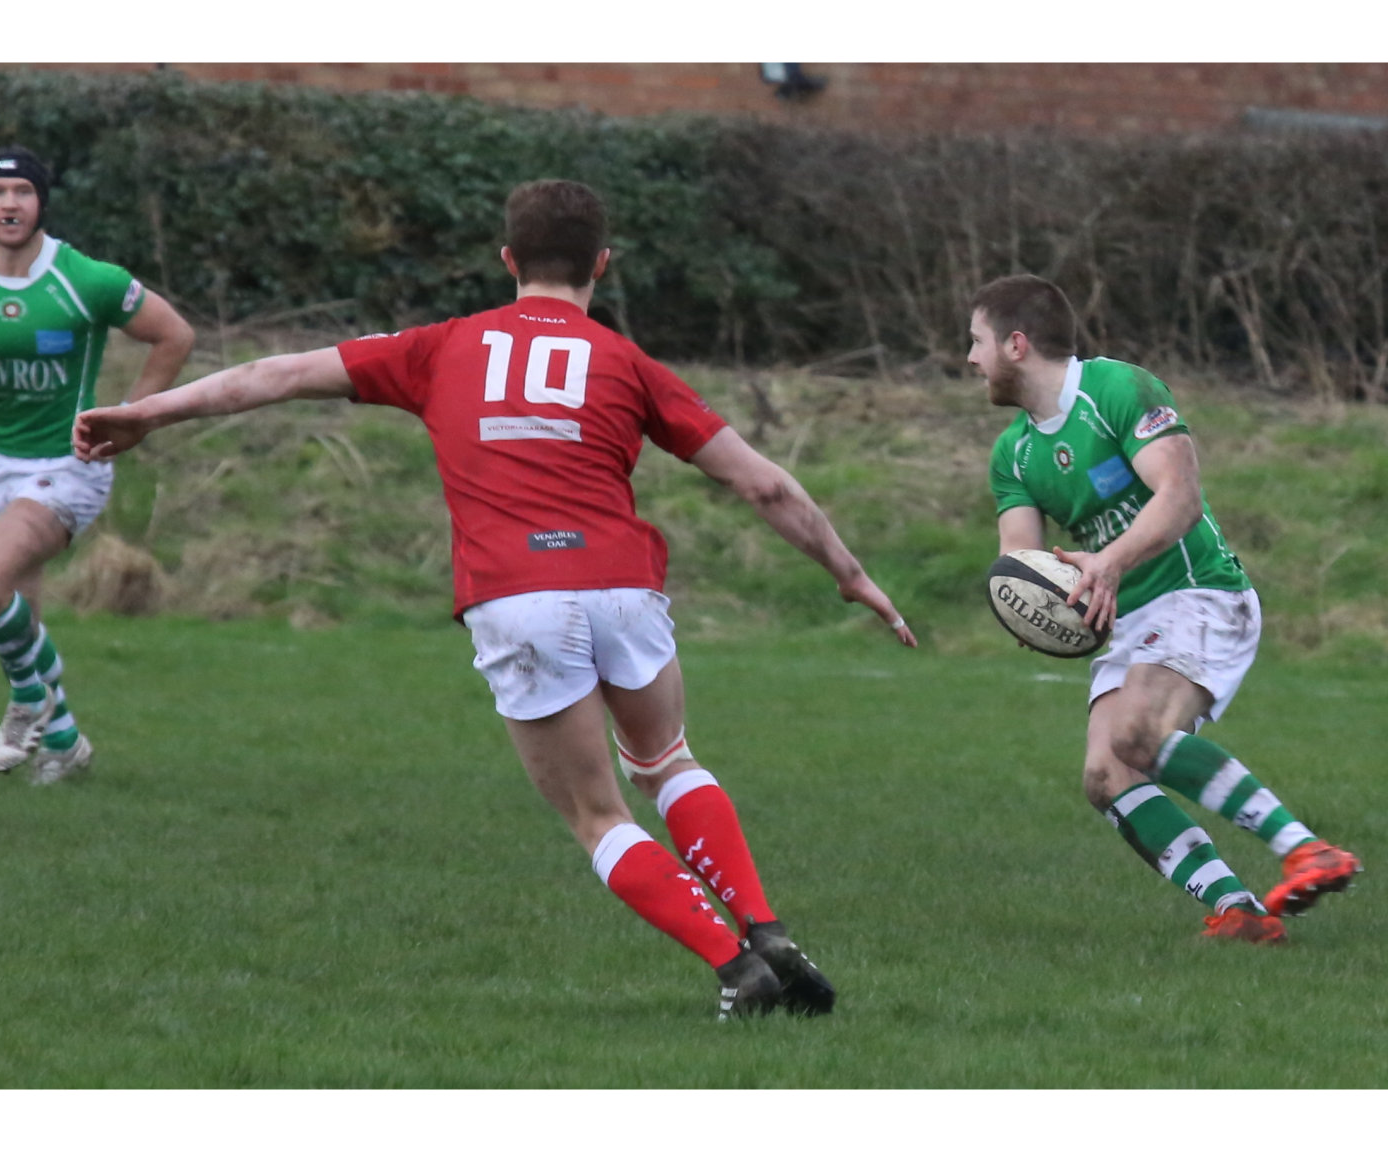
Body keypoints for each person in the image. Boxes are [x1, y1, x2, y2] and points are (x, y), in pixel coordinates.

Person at [73, 179, 917, 1017]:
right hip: (625, 587)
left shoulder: (442, 346)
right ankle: (764, 930)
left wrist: (149, 412)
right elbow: (765, 486)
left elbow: (276, 373)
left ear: (508, 259)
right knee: (667, 761)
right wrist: (850, 574)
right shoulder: (630, 362)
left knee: (597, 815)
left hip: (521, 598)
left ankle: (737, 967)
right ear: (603, 266)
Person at [970, 273, 1361, 943]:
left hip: (1202, 593)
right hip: (1131, 620)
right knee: (1105, 774)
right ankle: (1240, 911)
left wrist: (1109, 562)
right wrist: (1031, 608)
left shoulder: (1120, 390)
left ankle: (1306, 850)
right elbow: (1021, 562)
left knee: (1135, 738)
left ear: (1016, 344)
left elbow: (1179, 498)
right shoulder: (1014, 454)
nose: (969, 359)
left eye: (975, 342)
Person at [0, 146, 195, 784]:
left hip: (68, 462)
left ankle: (27, 701)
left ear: (41, 202)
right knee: (10, 615)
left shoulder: (86, 278)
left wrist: (134, 416)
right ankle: (65, 738)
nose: (10, 203)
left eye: (22, 191)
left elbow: (174, 334)